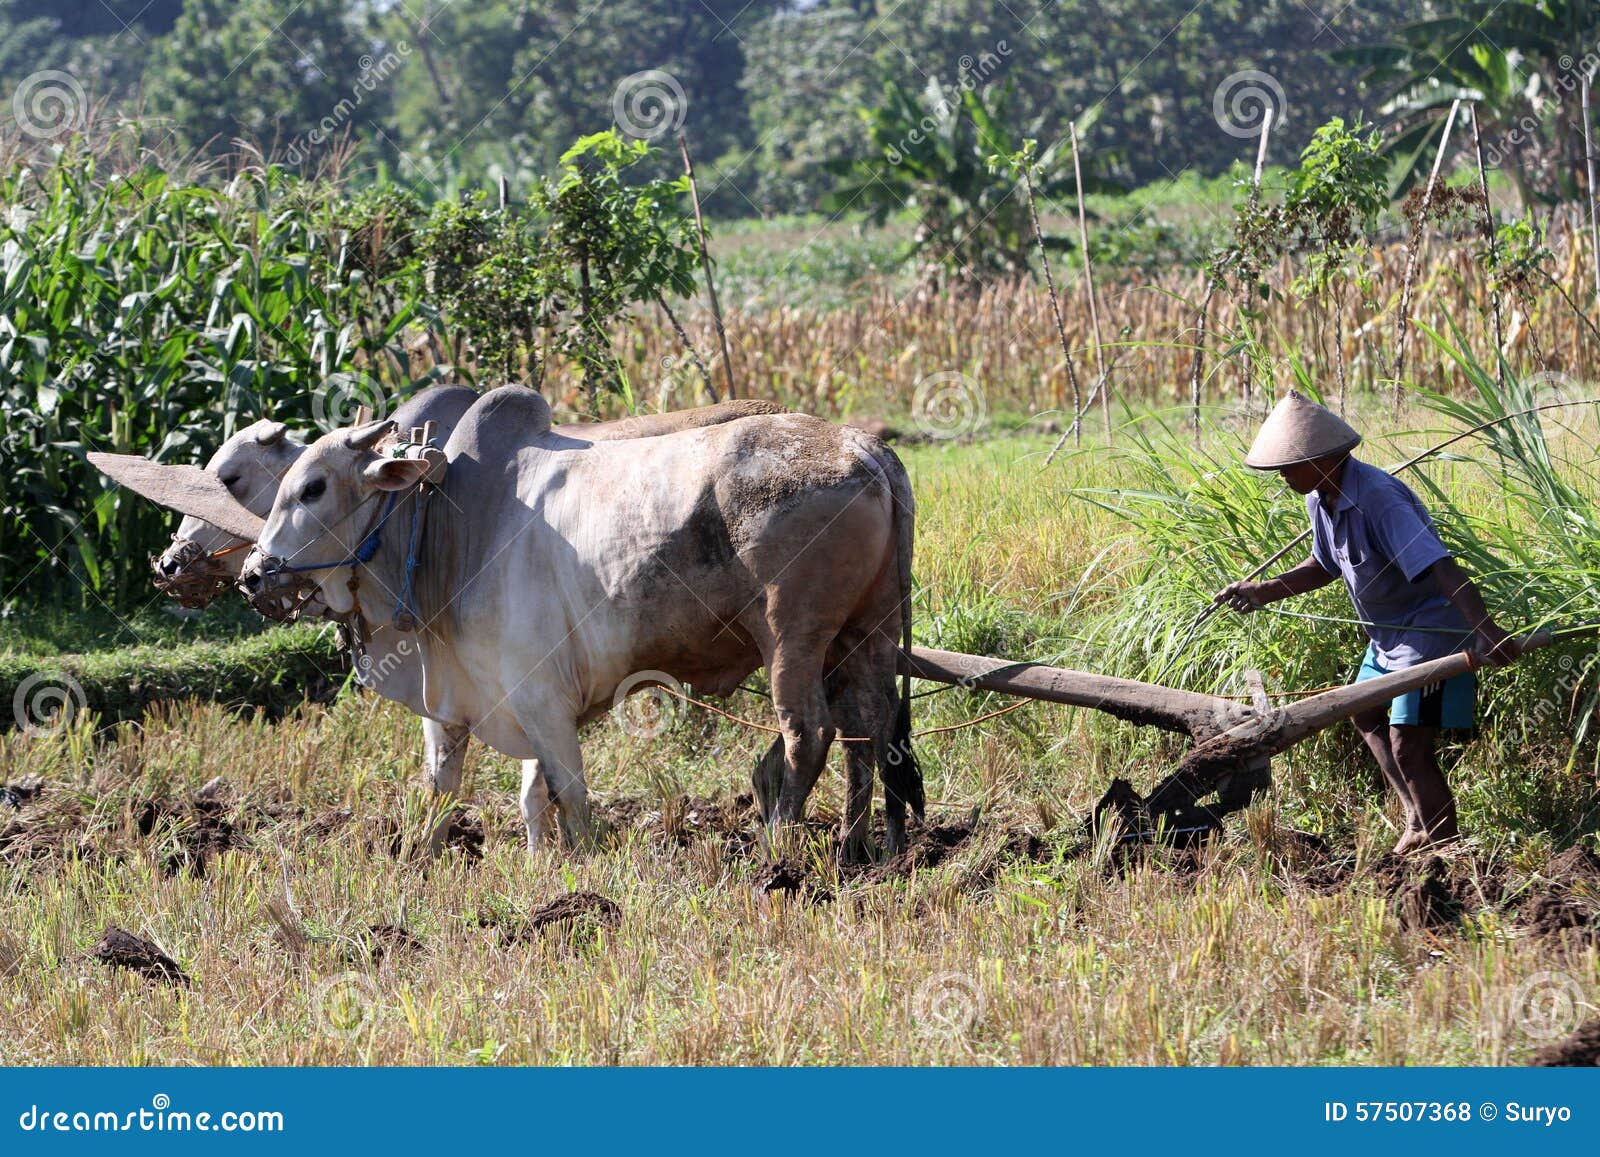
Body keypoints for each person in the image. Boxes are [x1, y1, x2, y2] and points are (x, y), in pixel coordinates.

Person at [1215, 392, 1521, 853]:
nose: (1283, 476)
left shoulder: (1379, 499)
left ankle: (1445, 851)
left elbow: (1441, 566)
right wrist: (1262, 591)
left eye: (1290, 466)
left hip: (1431, 632)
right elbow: (1324, 566)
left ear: (1324, 460)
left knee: (1408, 745)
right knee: (1365, 713)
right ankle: (1417, 820)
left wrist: (1486, 629)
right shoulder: (1320, 498)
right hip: (1386, 638)